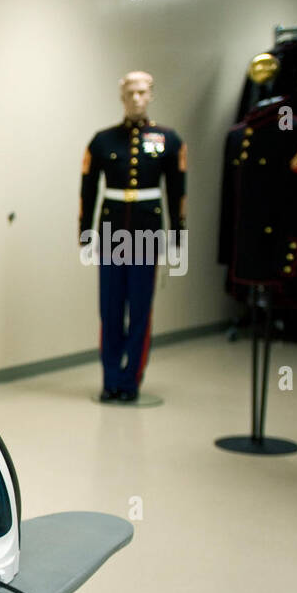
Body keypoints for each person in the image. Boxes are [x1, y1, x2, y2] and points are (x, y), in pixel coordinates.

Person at [79, 71, 186, 402]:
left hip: (146, 233)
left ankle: (130, 381)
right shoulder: (102, 141)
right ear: (121, 97)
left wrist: (177, 239)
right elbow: (87, 190)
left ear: (151, 94)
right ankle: (110, 378)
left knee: (140, 309)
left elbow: (177, 192)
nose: (136, 99)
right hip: (111, 232)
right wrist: (85, 233)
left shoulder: (169, 140)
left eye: (142, 92)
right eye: (130, 93)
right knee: (109, 309)